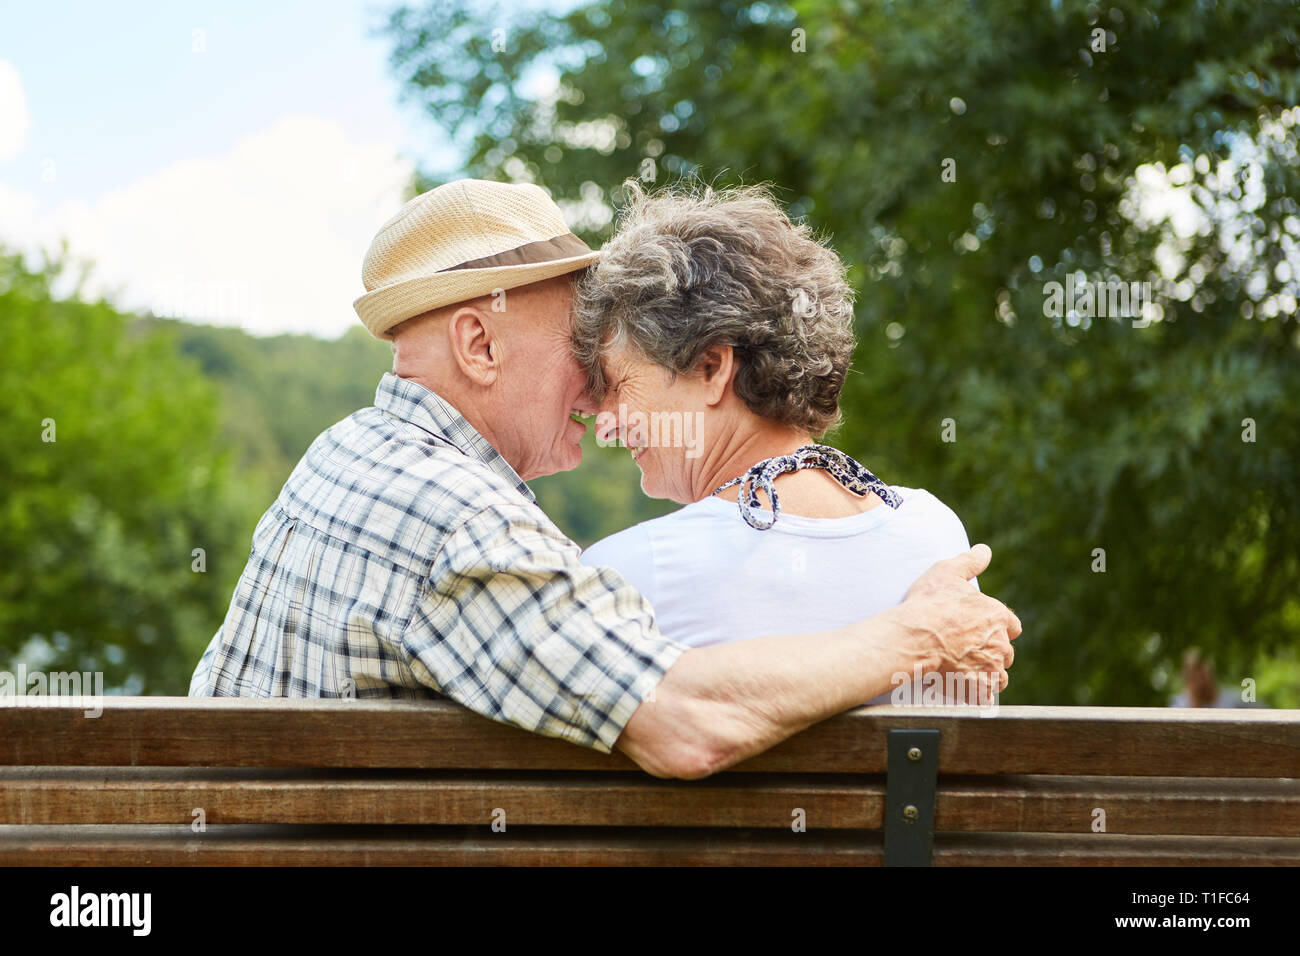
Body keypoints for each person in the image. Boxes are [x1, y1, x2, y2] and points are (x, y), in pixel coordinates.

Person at [189, 178, 1020, 779]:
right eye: (581, 349)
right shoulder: (463, 522)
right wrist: (919, 636)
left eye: (609, 365)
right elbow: (688, 724)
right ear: (480, 344)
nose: (595, 392)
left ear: (711, 368)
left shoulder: (346, 456)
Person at [576, 182, 984, 707]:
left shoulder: (627, 575)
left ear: (711, 367)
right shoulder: (934, 534)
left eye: (618, 385)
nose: (605, 421)